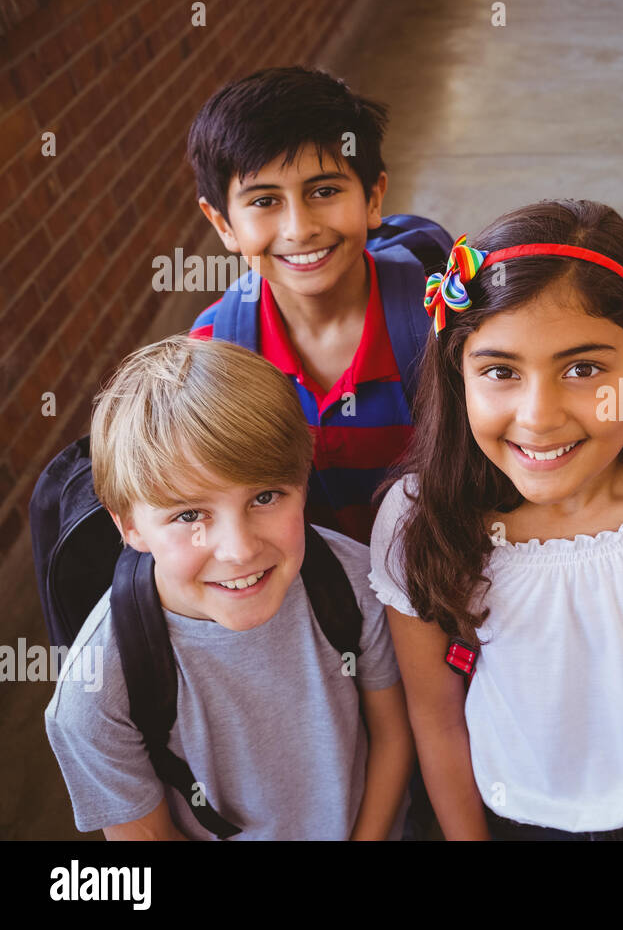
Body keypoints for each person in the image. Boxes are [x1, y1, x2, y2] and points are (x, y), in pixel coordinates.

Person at [370, 199, 623, 840]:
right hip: (498, 816)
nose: (538, 416)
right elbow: (436, 718)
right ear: (460, 376)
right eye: (501, 371)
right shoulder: (419, 520)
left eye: (583, 369)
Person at [45, 336, 413, 839]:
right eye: (190, 515)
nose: (238, 550)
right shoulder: (98, 692)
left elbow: (393, 736)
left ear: (303, 483)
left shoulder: (355, 583)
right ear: (130, 527)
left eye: (265, 496)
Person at [187, 66, 447, 544]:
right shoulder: (213, 355)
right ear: (222, 223)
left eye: (324, 192)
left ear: (373, 199)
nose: (299, 228)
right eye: (265, 201)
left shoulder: (444, 320)